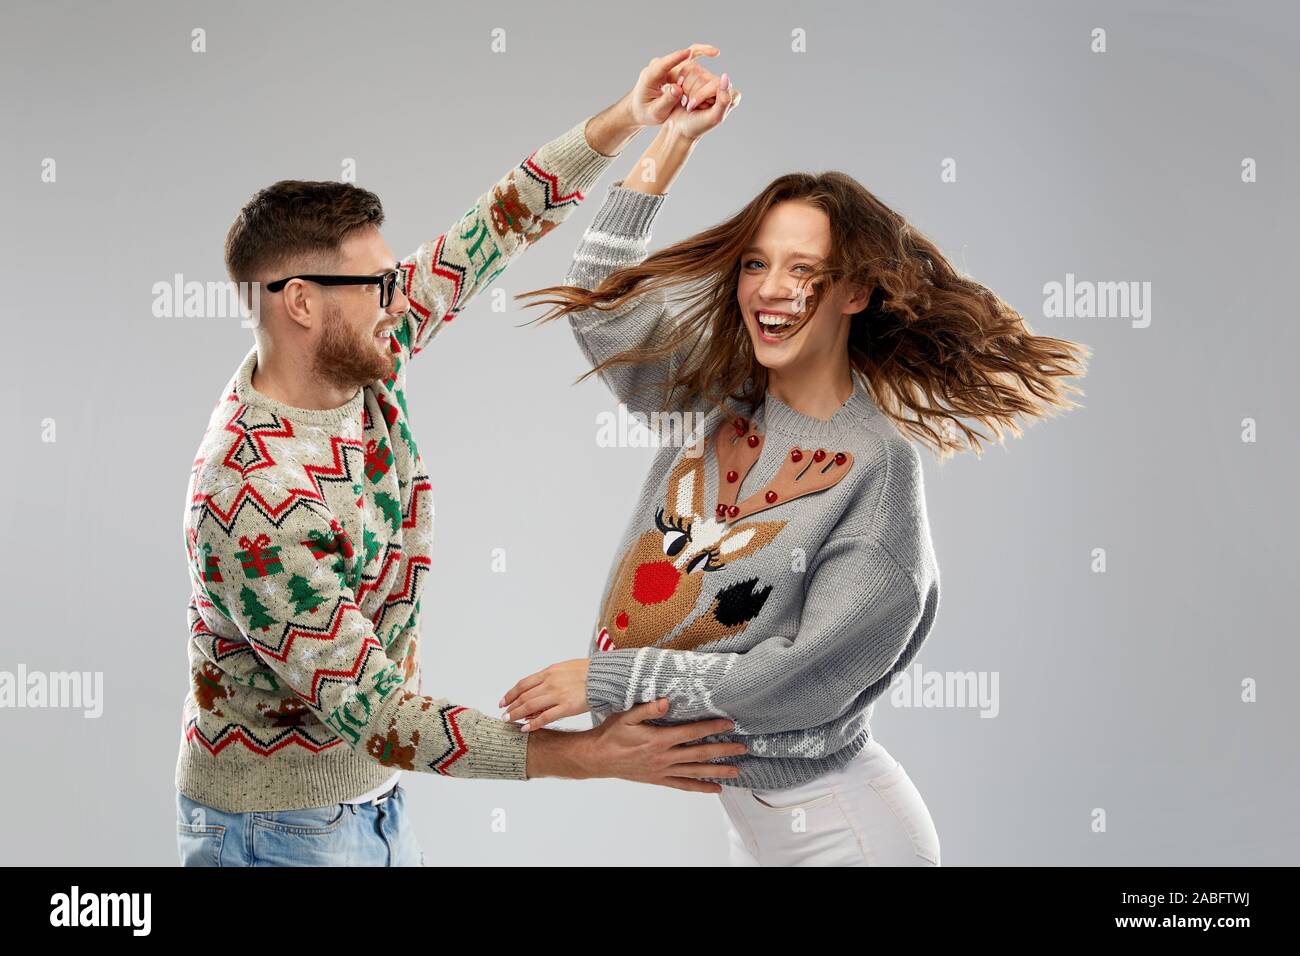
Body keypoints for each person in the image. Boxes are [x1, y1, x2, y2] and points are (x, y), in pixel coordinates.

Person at [175, 45, 751, 868]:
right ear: (298, 301)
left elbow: (498, 223)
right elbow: (375, 714)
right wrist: (586, 758)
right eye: (376, 284)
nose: (397, 297)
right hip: (274, 833)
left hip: (368, 803)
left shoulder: (361, 350)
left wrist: (634, 117)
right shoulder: (252, 495)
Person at [503, 61, 1091, 865]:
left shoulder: (876, 469)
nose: (769, 292)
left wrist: (604, 683)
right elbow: (602, 298)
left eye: (803, 272)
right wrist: (671, 139)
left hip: (843, 830)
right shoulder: (722, 400)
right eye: (756, 263)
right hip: (758, 818)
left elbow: (799, 680)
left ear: (855, 292)